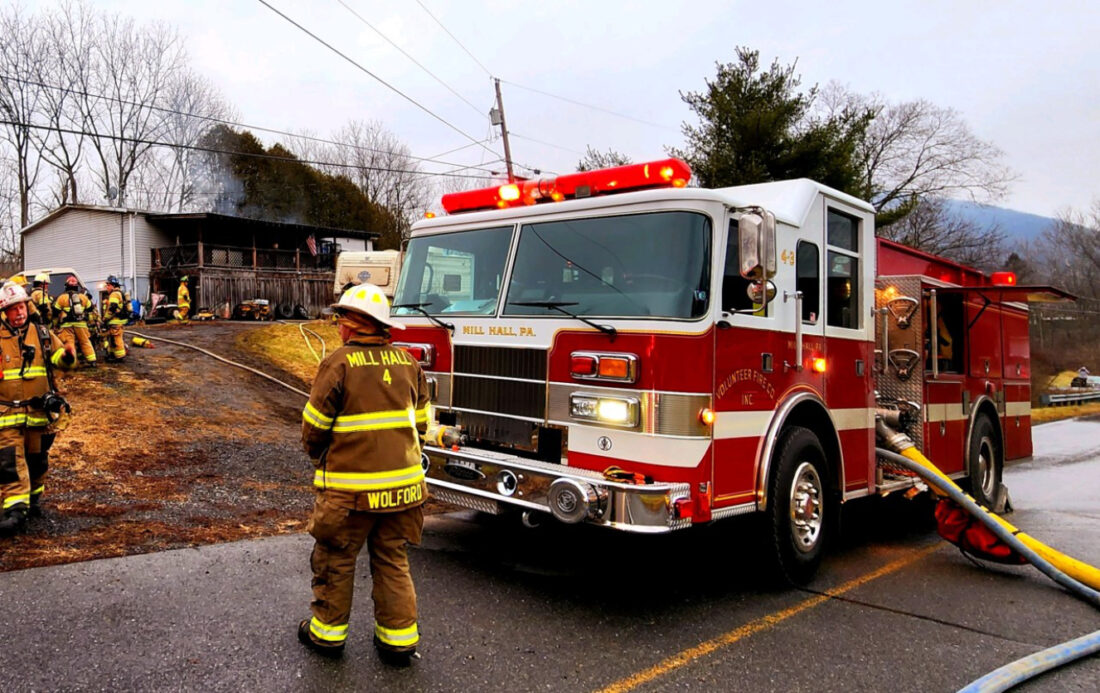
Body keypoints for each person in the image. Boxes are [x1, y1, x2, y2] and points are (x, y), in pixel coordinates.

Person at [298, 283, 430, 665]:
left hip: (350, 496)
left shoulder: (338, 362)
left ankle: (326, 635)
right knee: (392, 559)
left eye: (341, 319)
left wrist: (318, 455)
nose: (338, 327)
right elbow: (420, 424)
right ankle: (398, 641)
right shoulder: (409, 362)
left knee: (335, 559)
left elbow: (314, 428)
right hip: (404, 493)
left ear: (354, 324)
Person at [0, 282, 76, 536]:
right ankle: (15, 509)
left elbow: (58, 360)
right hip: (6, 415)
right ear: (4, 312)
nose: (19, 313)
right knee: (10, 460)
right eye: (13, 309)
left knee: (37, 460)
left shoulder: (41, 332)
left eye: (21, 307)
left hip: (38, 414)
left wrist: (66, 356)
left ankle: (33, 500)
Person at [53, 276, 97, 367]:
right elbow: (90, 308)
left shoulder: (62, 298)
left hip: (67, 325)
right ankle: (92, 360)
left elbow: (55, 311)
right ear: (77, 286)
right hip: (81, 324)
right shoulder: (83, 297)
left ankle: (72, 362)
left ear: (66, 286)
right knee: (85, 341)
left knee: (69, 343)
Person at [103, 276, 129, 362]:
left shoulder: (114, 294)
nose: (106, 287)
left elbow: (112, 308)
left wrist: (105, 318)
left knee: (116, 338)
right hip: (117, 320)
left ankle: (119, 356)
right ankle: (113, 355)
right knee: (112, 339)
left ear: (112, 285)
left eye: (107, 285)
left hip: (114, 320)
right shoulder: (120, 293)